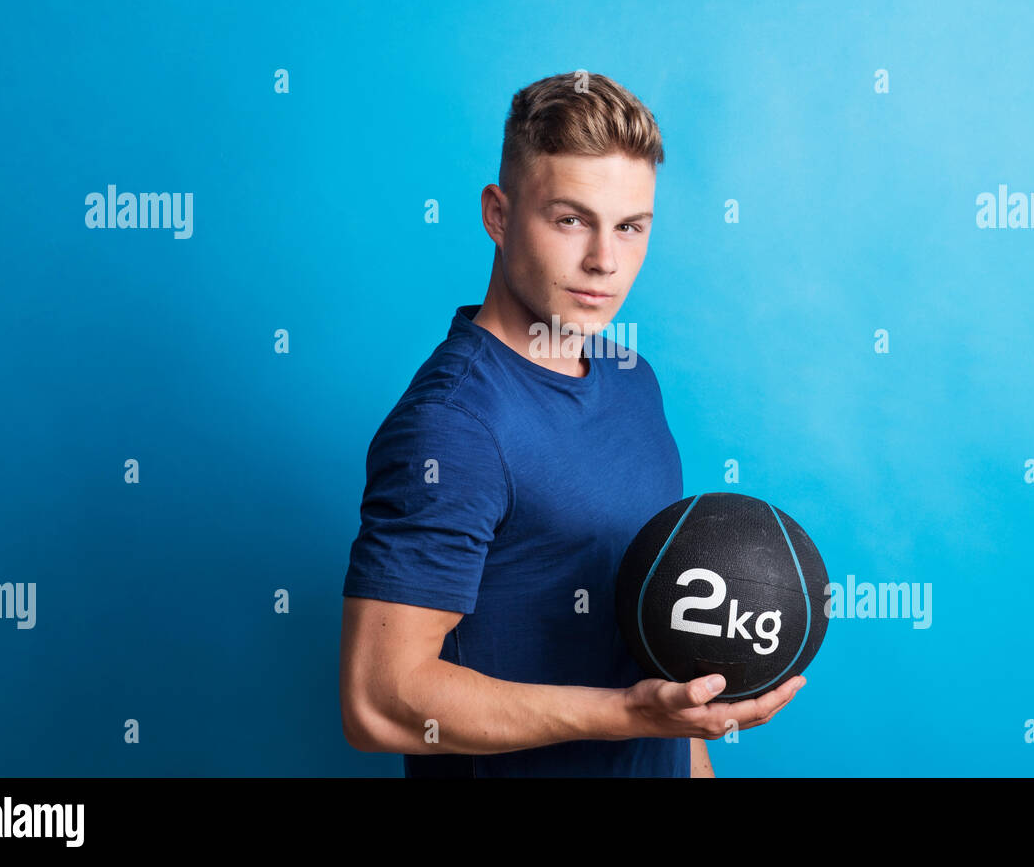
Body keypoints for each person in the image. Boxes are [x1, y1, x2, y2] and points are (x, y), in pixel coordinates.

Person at [338, 71, 805, 777]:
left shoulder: (632, 381)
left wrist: (681, 734)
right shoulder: (454, 425)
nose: (604, 262)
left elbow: (659, 650)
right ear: (498, 214)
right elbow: (377, 701)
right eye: (569, 220)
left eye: (629, 227)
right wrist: (624, 716)